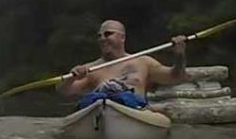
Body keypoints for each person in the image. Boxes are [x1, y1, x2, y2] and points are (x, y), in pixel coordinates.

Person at [57, 19, 187, 108]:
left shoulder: (143, 62)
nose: (102, 39)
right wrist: (71, 77)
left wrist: (179, 56)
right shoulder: (92, 68)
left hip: (134, 109)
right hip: (104, 108)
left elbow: (175, 77)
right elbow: (65, 91)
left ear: (122, 38)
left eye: (108, 34)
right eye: (99, 36)